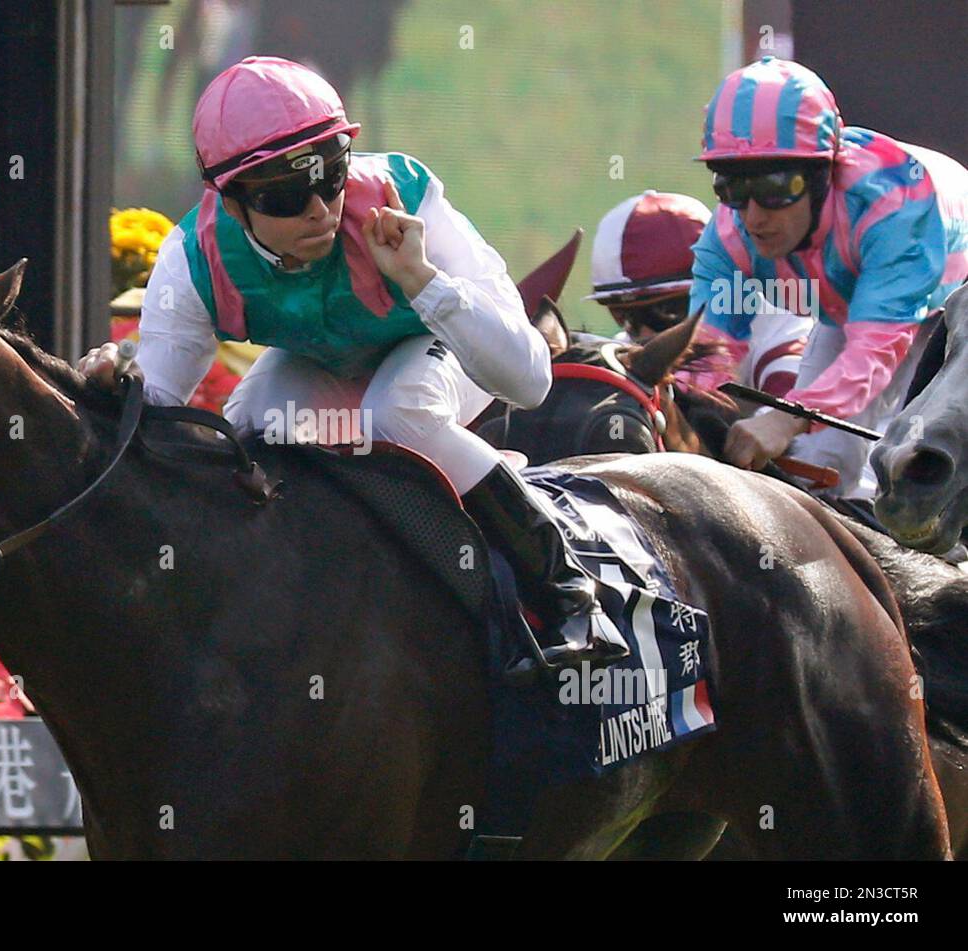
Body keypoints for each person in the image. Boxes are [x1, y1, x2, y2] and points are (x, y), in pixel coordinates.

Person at [79, 56, 628, 666]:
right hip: (325, 367)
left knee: (399, 409)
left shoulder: (408, 193)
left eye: (331, 174)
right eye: (287, 194)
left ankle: (570, 593)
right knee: (256, 419)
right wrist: (115, 378)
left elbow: (529, 380)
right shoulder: (192, 256)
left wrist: (422, 281)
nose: (319, 208)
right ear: (230, 204)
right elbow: (154, 400)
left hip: (436, 356)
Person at [689, 56, 968, 497]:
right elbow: (708, 361)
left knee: (919, 467)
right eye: (733, 188)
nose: (755, 216)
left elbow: (875, 352)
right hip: (861, 308)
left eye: (777, 187)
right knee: (819, 468)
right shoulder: (729, 236)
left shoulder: (891, 209)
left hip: (949, 311)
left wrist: (784, 418)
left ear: (823, 176)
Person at [587, 190, 811, 398]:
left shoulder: (781, 325)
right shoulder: (619, 352)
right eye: (623, 316)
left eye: (667, 311)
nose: (644, 334)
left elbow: (799, 418)